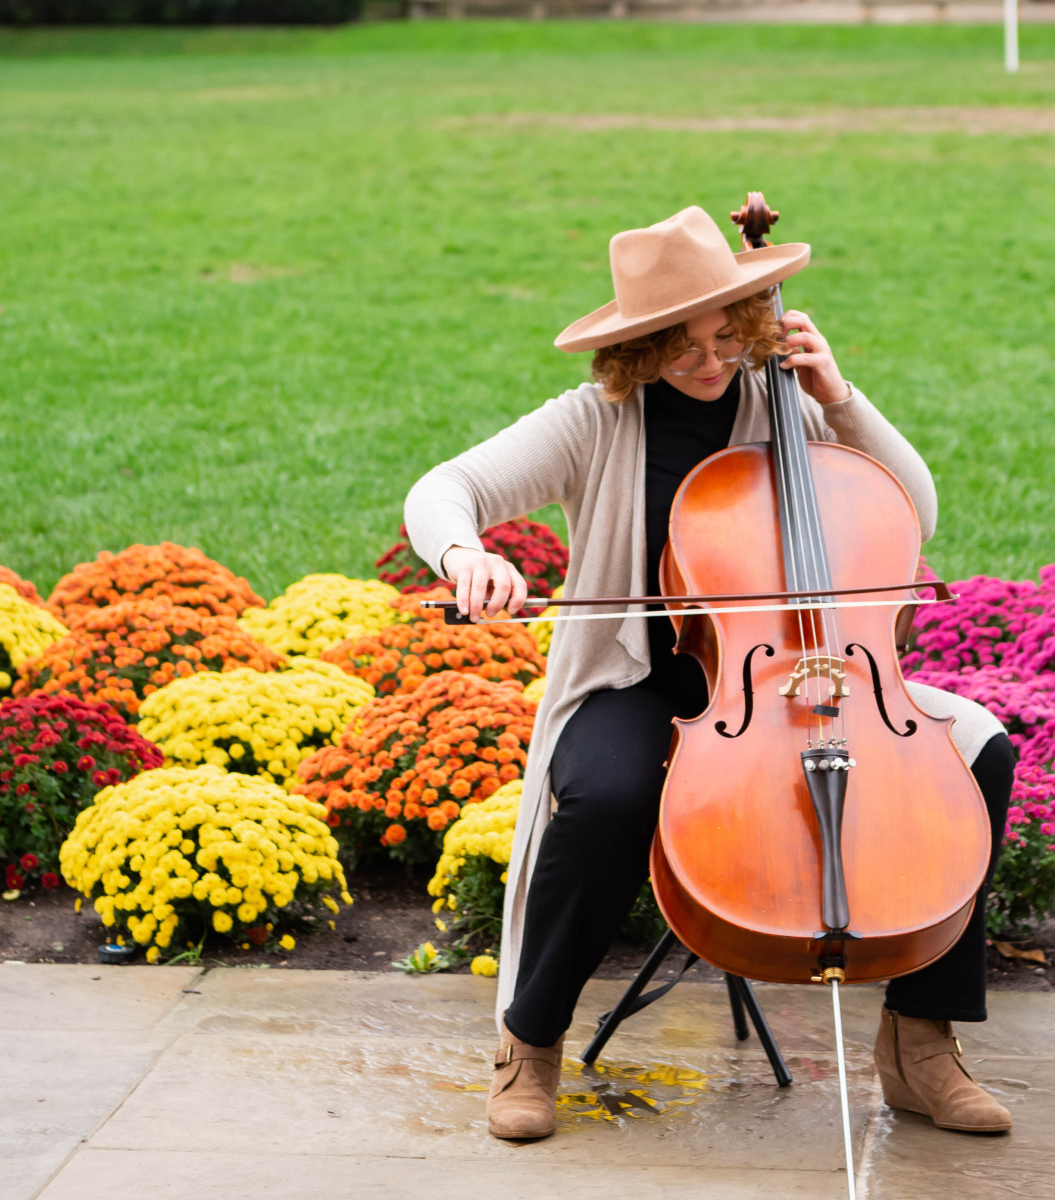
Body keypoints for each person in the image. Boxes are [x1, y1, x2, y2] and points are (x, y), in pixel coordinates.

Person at [403, 204, 1016, 1141]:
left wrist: (841, 397)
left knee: (977, 748)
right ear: (635, 349)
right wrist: (463, 558)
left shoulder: (793, 405)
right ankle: (528, 1046)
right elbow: (445, 490)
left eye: (727, 334)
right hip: (638, 683)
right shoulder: (592, 422)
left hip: (805, 679)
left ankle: (919, 1046)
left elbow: (914, 510)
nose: (707, 359)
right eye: (677, 344)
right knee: (607, 798)